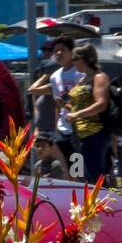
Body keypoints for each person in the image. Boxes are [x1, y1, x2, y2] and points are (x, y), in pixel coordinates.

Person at [27, 37, 81, 170]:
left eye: (62, 50)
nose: (58, 54)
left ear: (71, 51)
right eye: (55, 51)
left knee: (79, 169)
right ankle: (72, 189)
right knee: (66, 167)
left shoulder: (80, 73)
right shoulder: (55, 76)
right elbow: (57, 106)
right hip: (63, 129)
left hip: (79, 128)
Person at [63, 44, 111, 183]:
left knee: (95, 176)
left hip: (94, 134)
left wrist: (77, 114)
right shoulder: (82, 79)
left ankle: (104, 203)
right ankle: (86, 203)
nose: (72, 62)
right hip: (77, 135)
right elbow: (77, 104)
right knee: (78, 174)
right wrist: (67, 106)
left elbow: (101, 104)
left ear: (83, 60)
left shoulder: (99, 77)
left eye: (74, 59)